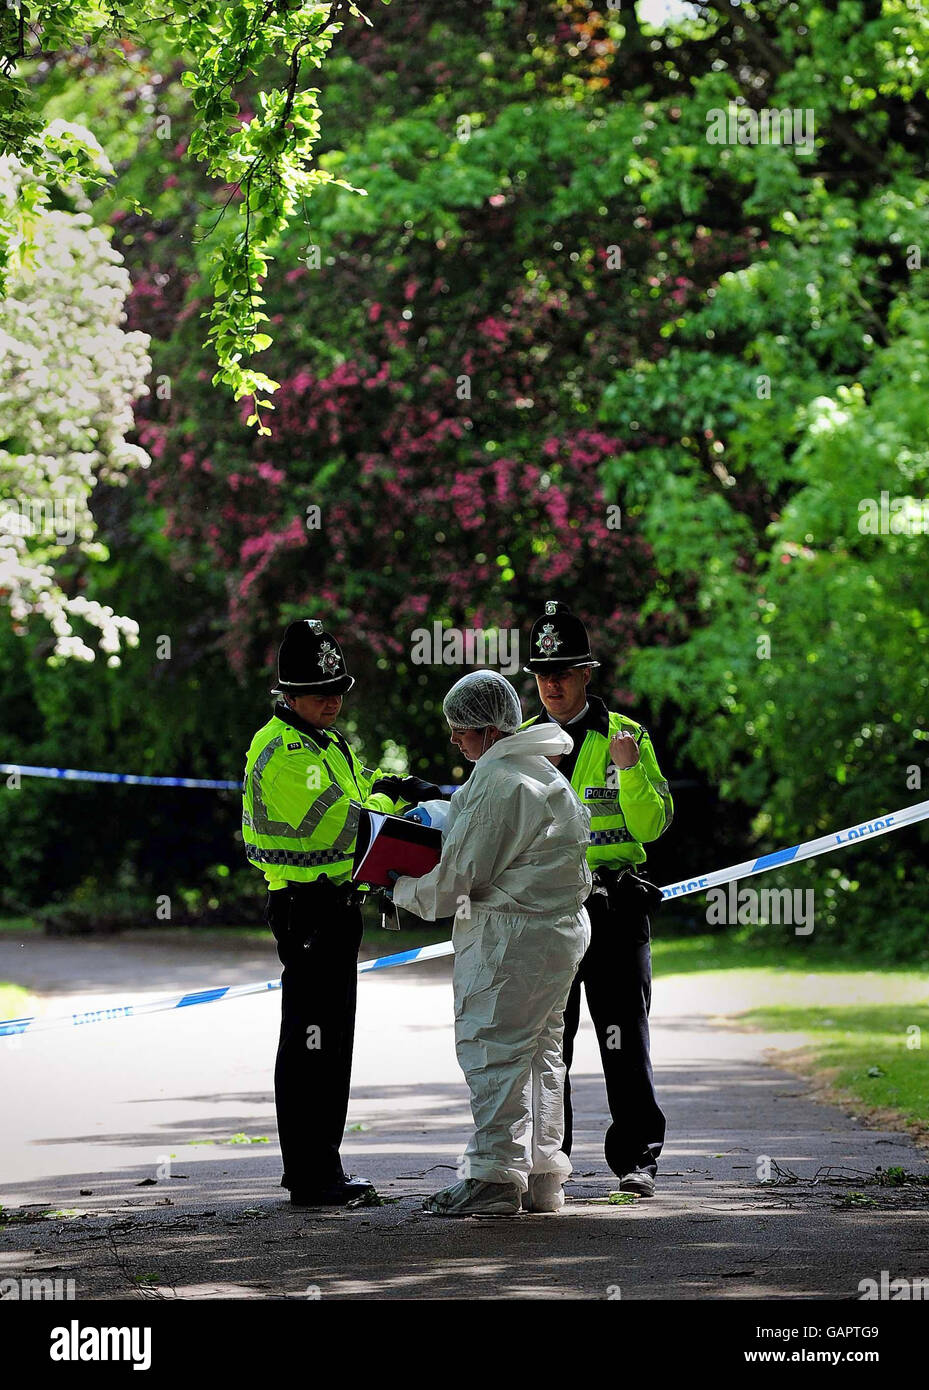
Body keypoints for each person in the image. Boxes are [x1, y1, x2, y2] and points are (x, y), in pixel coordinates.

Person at [242, 618, 440, 1206]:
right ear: (288, 693)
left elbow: (363, 785)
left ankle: (321, 1166)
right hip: (307, 910)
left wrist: (408, 787)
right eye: (319, 691)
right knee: (312, 1042)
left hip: (332, 908)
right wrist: (397, 807)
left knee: (331, 1043)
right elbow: (346, 820)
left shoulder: (323, 743)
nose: (332, 700)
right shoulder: (281, 749)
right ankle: (310, 1174)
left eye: (338, 690)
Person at [391, 670, 592, 1217]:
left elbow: (459, 876)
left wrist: (399, 887)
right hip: (559, 931)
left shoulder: (500, 780)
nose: (455, 740)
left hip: (511, 937)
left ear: (486, 729)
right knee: (543, 1054)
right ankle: (545, 1176)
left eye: (460, 730)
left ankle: (494, 1178)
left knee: (493, 1049)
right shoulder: (543, 773)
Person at [522, 600, 674, 1197]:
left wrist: (631, 771)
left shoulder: (625, 737)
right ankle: (548, 1160)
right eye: (541, 672)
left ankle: (637, 1159)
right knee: (549, 1041)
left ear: (588, 672)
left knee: (624, 1037)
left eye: (563, 670)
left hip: (614, 907)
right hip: (549, 912)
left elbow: (652, 826)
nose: (551, 682)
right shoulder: (522, 743)